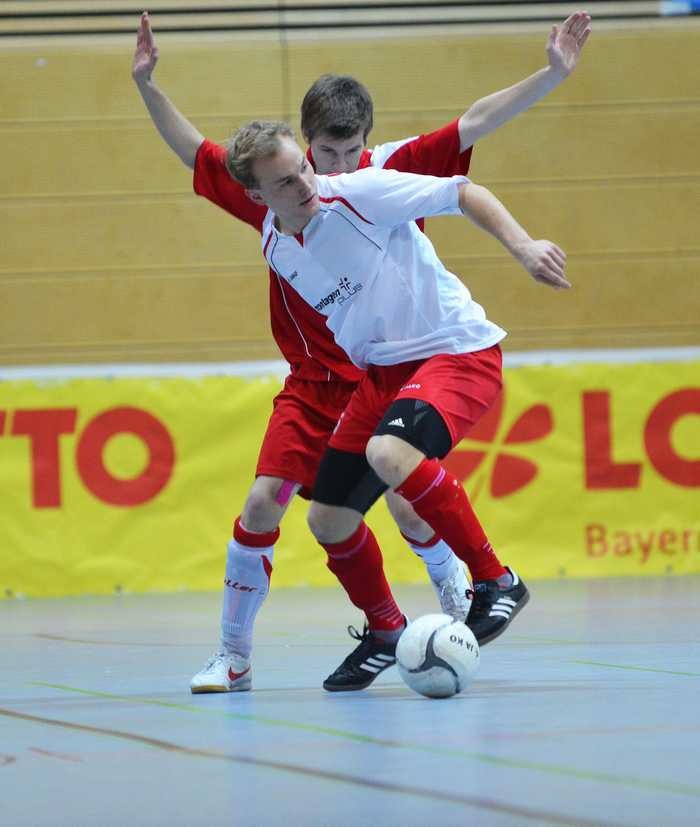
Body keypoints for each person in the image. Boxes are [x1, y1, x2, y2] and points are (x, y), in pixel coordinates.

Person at [131, 10, 591, 693]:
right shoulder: (269, 209)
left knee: (401, 478)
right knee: (314, 513)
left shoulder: (373, 181)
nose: (330, 174)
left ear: (366, 145)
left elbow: (473, 131)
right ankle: (359, 630)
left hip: (427, 354)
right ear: (298, 152)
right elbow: (196, 150)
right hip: (332, 379)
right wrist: (146, 85)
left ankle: (477, 585)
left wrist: (552, 76)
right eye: (322, 158)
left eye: (351, 152)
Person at [224, 121, 570, 690]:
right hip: (383, 374)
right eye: (286, 183)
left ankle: (495, 579)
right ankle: (385, 629)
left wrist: (524, 246)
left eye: (305, 169)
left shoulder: (359, 193)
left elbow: (462, 192)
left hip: (455, 350)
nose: (307, 186)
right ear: (259, 197)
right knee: (327, 519)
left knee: (389, 452)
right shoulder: (275, 245)